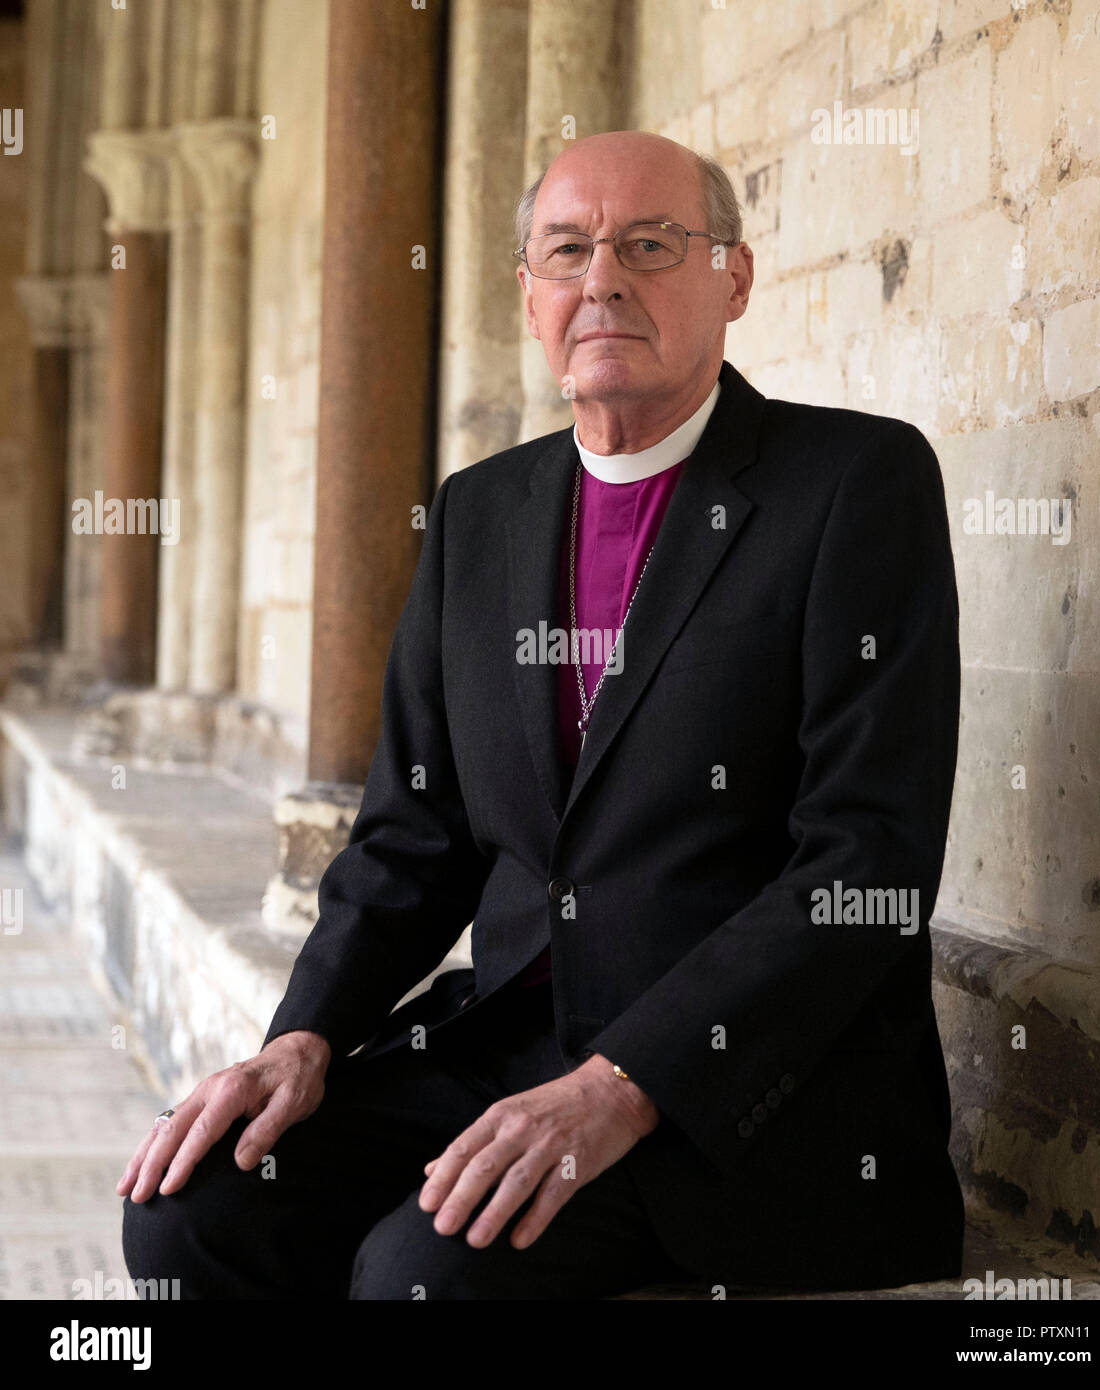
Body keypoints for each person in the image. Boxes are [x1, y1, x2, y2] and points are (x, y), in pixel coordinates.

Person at [120, 129, 965, 1299]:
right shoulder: (481, 515)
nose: (601, 278)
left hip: (744, 1096)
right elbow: (413, 836)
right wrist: (300, 1037)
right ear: (528, 297)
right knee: (189, 1213)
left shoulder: (853, 485)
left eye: (650, 244)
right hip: (506, 1050)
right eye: (565, 250)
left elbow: (863, 861)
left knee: (421, 1273)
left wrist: (625, 1082)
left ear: (734, 277)